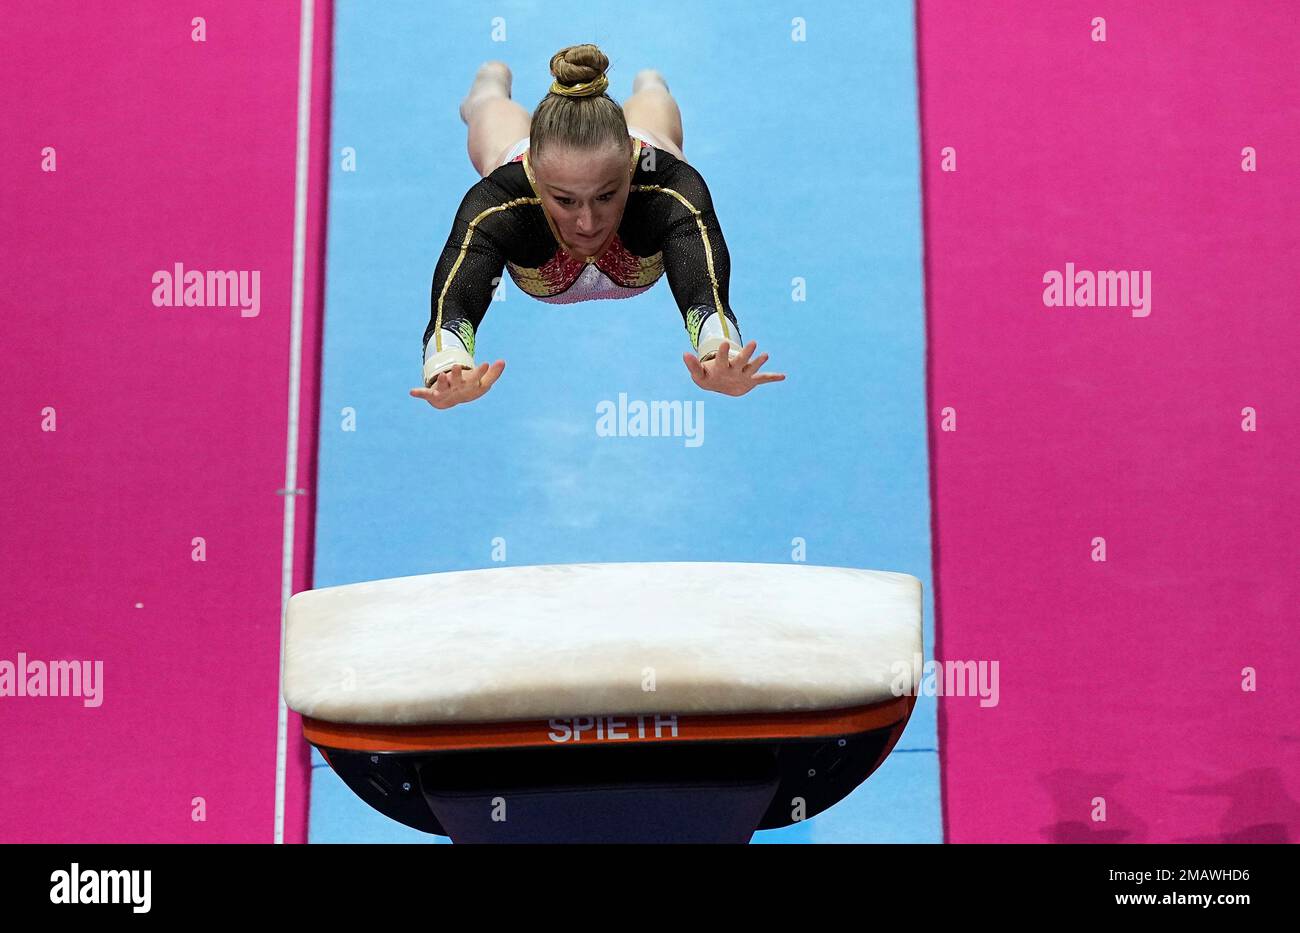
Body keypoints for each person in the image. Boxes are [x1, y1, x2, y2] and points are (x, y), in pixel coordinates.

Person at [410, 44, 785, 410]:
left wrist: (722, 351)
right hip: (530, 160)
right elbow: (450, 312)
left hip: (640, 152)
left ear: (629, 171)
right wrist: (447, 365)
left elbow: (708, 301)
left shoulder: (666, 187)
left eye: (606, 196)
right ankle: (490, 85)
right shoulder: (503, 201)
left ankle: (650, 86)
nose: (587, 222)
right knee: (488, 110)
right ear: (536, 179)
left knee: (656, 116)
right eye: (565, 200)